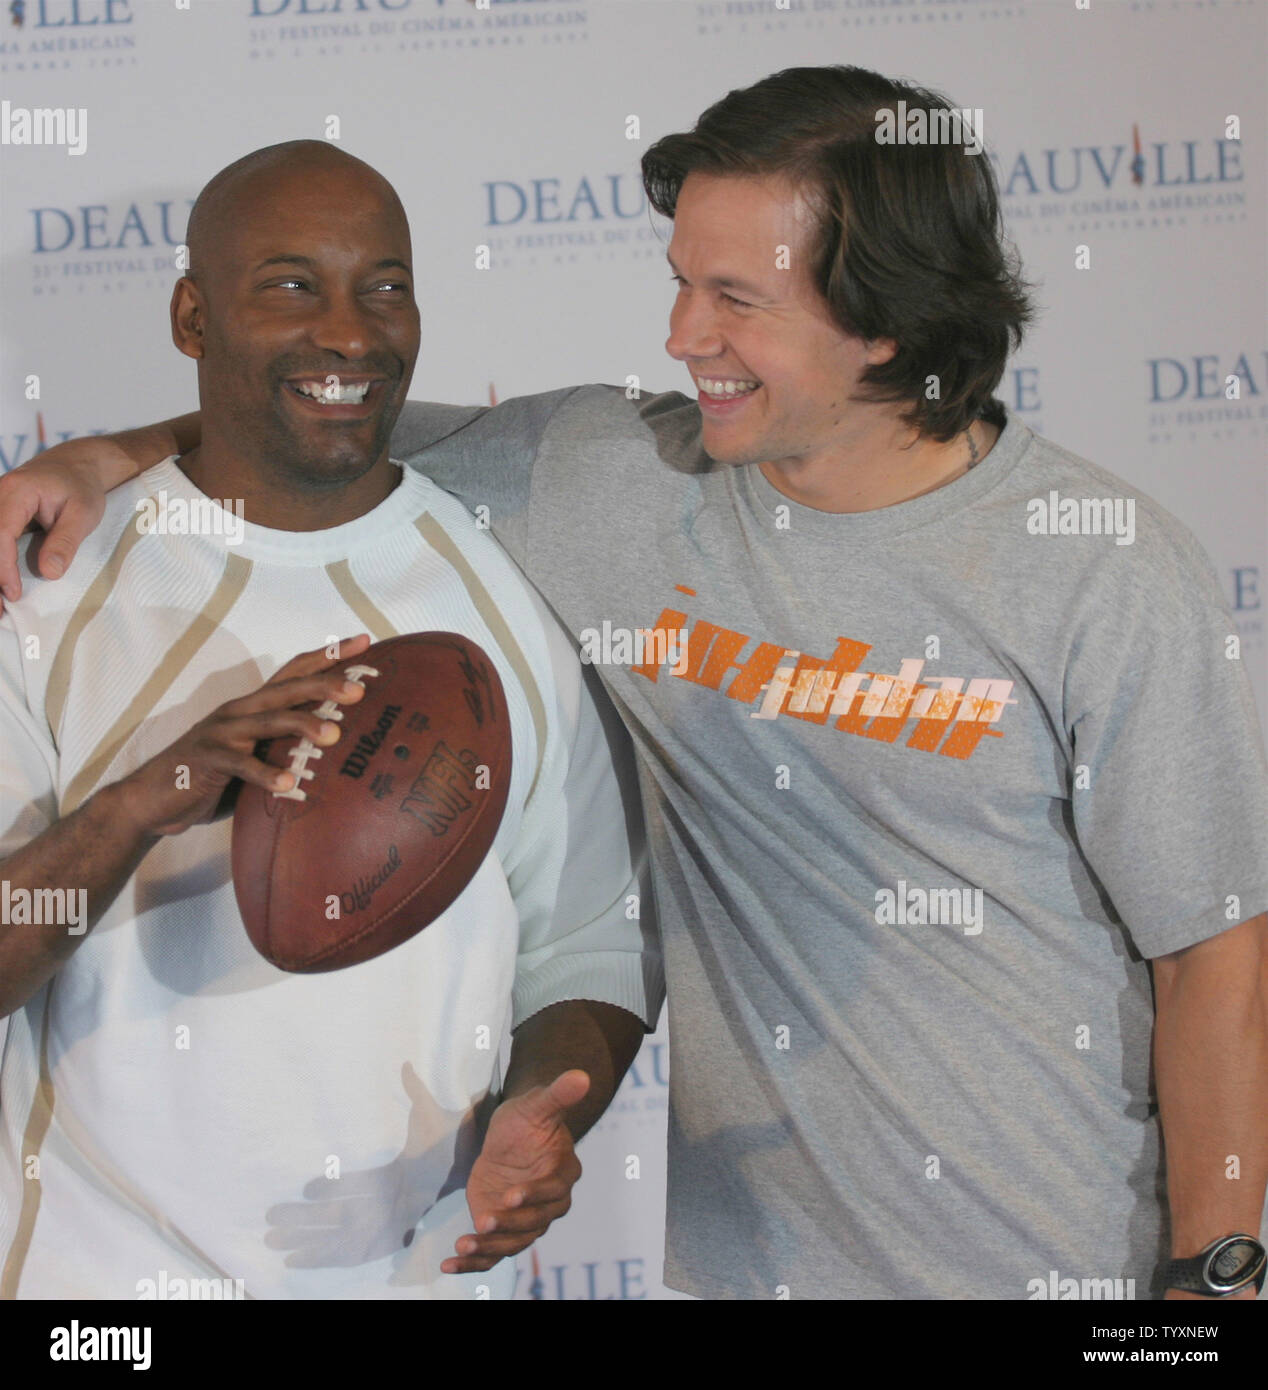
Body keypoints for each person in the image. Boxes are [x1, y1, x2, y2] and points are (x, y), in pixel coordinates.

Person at [2, 65, 1265, 1301]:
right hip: (737, 1268)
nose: (679, 337)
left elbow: (1216, 960)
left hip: (1053, 1265)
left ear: (884, 316)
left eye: (734, 298)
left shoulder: (1097, 569)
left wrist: (1208, 1288)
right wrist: (104, 453)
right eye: (677, 283)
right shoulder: (611, 476)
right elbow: (321, 407)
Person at [0, 140, 661, 1300]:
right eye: (291, 284)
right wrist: (149, 799)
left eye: (387, 286)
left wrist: (541, 1114)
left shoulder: (497, 592)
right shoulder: (49, 583)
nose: (352, 333)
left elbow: (590, 943)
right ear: (192, 317)